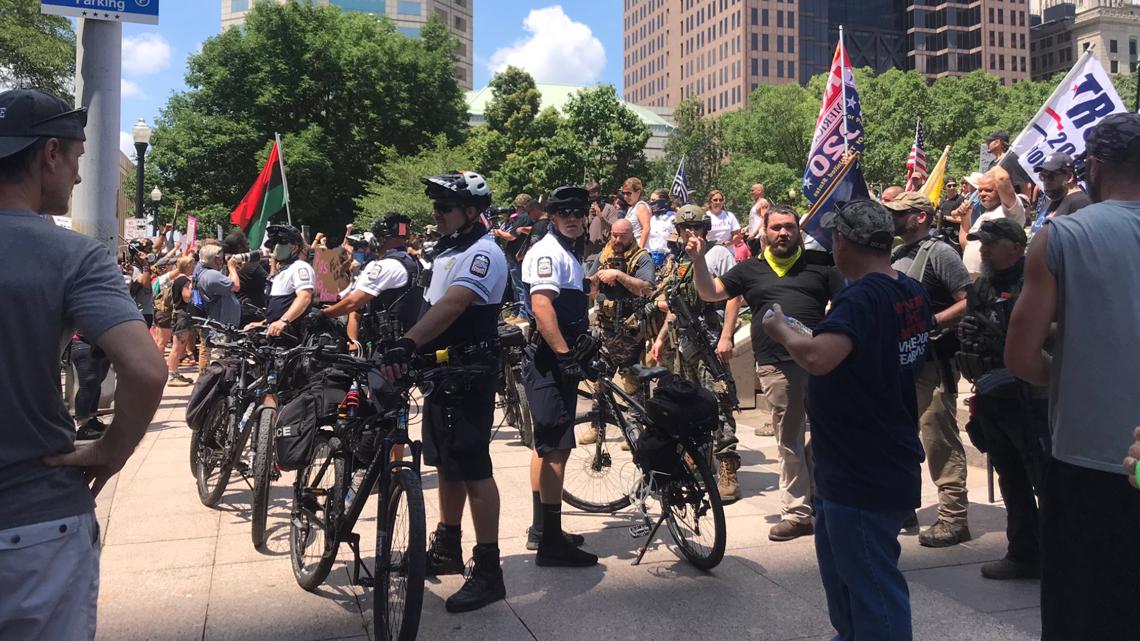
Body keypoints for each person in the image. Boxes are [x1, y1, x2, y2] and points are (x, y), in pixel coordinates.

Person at [0, 88, 167, 640]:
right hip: (32, 524)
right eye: (76, 159)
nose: (77, 177)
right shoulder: (71, 254)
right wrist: (110, 451)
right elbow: (145, 370)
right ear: (49, 153)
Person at [760, 199, 931, 641]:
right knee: (847, 580)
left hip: (862, 467)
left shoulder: (861, 296)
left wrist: (781, 330)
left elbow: (818, 359)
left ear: (842, 243)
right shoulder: (909, 290)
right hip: (869, 459)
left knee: (873, 586)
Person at [1005, 113, 1140, 641]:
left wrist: (1069, 373)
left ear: (1096, 168)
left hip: (1089, 463)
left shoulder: (1060, 236)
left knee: (1084, 617)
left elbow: (1021, 357)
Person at [385, 171, 508, 613]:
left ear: (471, 213)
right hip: (442, 374)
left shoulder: (483, 252)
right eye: (435, 207)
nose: (436, 215)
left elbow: (454, 304)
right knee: (449, 466)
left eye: (444, 208)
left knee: (475, 470)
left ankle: (489, 571)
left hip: (469, 375)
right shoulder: (450, 249)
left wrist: (408, 343)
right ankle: (447, 546)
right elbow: (428, 303)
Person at [690, 204, 844, 541]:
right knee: (789, 442)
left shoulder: (821, 266)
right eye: (776, 227)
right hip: (777, 366)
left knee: (824, 437)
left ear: (799, 229)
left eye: (789, 227)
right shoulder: (749, 270)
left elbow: (848, 302)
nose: (784, 233)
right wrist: (699, 261)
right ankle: (797, 514)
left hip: (821, 362)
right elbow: (710, 293)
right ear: (764, 229)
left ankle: (817, 496)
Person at [956, 218, 1048, 580]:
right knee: (1010, 477)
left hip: (1030, 392)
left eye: (991, 243)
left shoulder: (1037, 281)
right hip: (992, 392)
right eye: (982, 243)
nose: (984, 249)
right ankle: (1023, 553)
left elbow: (1047, 335)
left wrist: (999, 331)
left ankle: (1059, 555)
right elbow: (973, 322)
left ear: (1015, 246)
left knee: (1044, 477)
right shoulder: (982, 285)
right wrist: (968, 331)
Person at [886, 192, 973, 547]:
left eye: (900, 213)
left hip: (934, 364)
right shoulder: (896, 254)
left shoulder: (940, 252)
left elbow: (968, 301)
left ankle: (954, 517)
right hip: (901, 365)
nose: (893, 218)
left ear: (920, 216)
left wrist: (929, 321)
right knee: (899, 438)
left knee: (938, 440)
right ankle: (903, 506)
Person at [519, 186, 598, 565]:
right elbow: (540, 306)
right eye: (563, 212)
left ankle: (542, 529)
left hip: (554, 360)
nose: (571, 217)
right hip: (550, 361)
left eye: (577, 212)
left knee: (546, 444)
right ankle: (551, 544)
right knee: (556, 449)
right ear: (551, 218)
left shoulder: (567, 252)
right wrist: (565, 356)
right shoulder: (548, 252)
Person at [650, 205, 742, 500]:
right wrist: (662, 337)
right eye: (685, 229)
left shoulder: (718, 255)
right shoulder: (677, 260)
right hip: (682, 342)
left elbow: (733, 297)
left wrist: (726, 336)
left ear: (706, 229)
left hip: (710, 339)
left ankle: (727, 466)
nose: (691, 233)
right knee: (686, 404)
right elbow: (675, 305)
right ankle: (697, 460)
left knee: (720, 400)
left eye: (697, 228)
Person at [321, 213, 422, 351]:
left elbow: (354, 302)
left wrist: (323, 314)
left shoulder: (386, 265)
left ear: (379, 239)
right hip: (411, 341)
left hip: (388, 347)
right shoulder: (415, 262)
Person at [585, 218, 656, 409]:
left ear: (631, 235)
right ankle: (597, 424)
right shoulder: (604, 255)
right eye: (614, 235)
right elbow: (590, 288)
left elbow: (647, 289)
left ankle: (637, 430)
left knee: (633, 385)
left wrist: (618, 275)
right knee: (600, 381)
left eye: (622, 236)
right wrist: (595, 279)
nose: (616, 240)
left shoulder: (640, 257)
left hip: (630, 332)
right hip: (604, 328)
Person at [244, 224, 314, 336]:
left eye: (281, 243)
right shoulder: (282, 272)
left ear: (294, 247)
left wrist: (284, 321)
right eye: (275, 243)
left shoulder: (300, 267)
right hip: (277, 334)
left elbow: (304, 297)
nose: (276, 247)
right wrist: (263, 323)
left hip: (293, 334)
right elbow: (279, 308)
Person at [956, 166, 1025, 277]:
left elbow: (1002, 178)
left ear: (1000, 191)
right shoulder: (983, 216)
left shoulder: (1011, 211)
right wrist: (965, 217)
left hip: (995, 284)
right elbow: (966, 243)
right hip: (973, 282)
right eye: (980, 190)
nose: (982, 194)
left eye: (988, 190)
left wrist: (995, 167)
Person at [494, 193, 537, 320]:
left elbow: (511, 236)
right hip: (514, 257)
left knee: (519, 286)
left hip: (517, 257)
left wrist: (497, 232)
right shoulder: (525, 218)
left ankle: (523, 313)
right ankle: (517, 310)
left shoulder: (524, 217)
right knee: (515, 287)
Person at [1031, 152, 1091, 234]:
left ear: (1069, 177)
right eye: (1042, 176)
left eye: (1051, 176)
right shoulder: (1051, 201)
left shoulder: (1082, 203)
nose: (1046, 181)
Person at [222, 231, 267, 325]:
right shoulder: (251, 267)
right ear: (240, 247)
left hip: (233, 313)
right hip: (251, 316)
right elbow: (270, 282)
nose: (249, 247)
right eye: (247, 244)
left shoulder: (224, 265)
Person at [165, 256, 197, 386]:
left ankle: (176, 373)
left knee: (180, 347)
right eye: (192, 264)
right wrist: (193, 288)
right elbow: (186, 297)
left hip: (182, 315)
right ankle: (172, 375)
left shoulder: (179, 279)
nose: (194, 266)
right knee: (177, 347)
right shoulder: (184, 280)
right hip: (182, 316)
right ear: (187, 265)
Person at [585, 179, 621, 259]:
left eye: (594, 196)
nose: (593, 200)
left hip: (603, 256)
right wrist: (588, 215)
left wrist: (601, 217)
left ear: (599, 194)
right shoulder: (585, 210)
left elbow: (615, 230)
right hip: (586, 256)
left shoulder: (609, 209)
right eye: (590, 198)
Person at [126, 238, 156, 328]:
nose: (149, 254)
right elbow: (144, 282)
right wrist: (145, 264)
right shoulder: (134, 268)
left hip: (147, 311)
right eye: (146, 251)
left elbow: (156, 248)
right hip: (139, 312)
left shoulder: (142, 267)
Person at [644, 188, 675, 264]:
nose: (651, 203)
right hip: (652, 257)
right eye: (650, 200)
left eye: (653, 200)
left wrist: (672, 256)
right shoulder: (652, 219)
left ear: (663, 201)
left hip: (667, 259)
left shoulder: (673, 218)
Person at [621, 177, 652, 248]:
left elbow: (646, 228)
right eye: (623, 193)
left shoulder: (641, 206)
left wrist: (639, 250)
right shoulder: (631, 208)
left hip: (639, 248)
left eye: (628, 193)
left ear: (638, 192)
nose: (625, 196)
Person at [745, 182, 769, 255]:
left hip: (758, 237)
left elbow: (764, 219)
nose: (751, 193)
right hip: (753, 237)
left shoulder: (763, 202)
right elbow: (757, 219)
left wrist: (755, 233)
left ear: (759, 190)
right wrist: (747, 227)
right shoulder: (756, 203)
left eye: (753, 190)